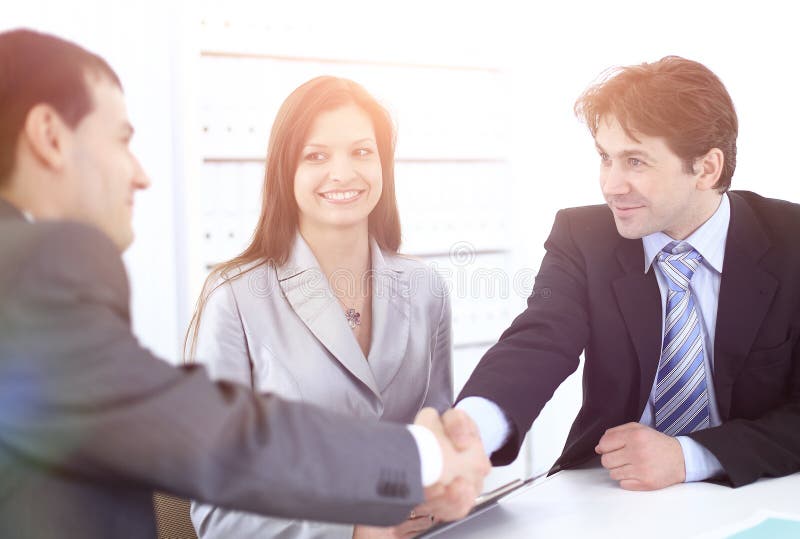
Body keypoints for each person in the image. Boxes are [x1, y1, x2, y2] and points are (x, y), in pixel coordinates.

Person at [0, 28, 490, 538]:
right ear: (50, 137)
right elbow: (216, 438)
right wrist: (411, 468)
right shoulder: (39, 265)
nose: (142, 174)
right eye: (122, 140)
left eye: (361, 152)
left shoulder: (424, 285)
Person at [456, 55, 800, 491]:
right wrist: (469, 431)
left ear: (706, 168)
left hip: (756, 489)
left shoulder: (792, 243)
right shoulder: (582, 237)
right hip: (614, 491)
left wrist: (690, 456)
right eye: (606, 158)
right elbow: (539, 341)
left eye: (635, 162)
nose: (611, 185)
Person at [187, 76, 452, 539]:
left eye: (362, 152)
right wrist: (350, 531)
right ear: (285, 171)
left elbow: (441, 443)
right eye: (316, 156)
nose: (343, 173)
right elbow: (215, 512)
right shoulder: (234, 299)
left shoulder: (426, 288)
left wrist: (448, 486)